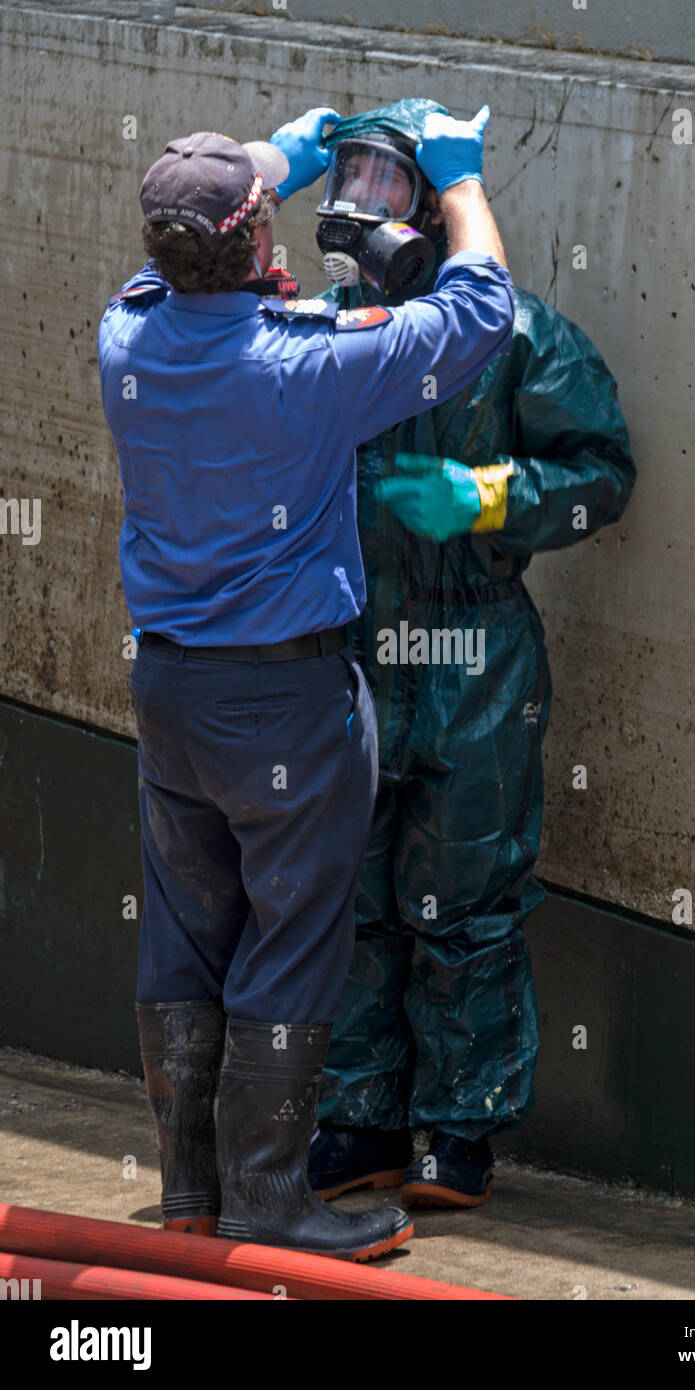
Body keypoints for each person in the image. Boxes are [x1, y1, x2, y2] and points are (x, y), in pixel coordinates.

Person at [97, 105, 515, 1258]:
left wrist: (275, 156)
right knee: (291, 935)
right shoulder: (310, 367)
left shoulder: (125, 338)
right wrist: (457, 178)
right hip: (286, 700)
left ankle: (192, 1192)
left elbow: (181, 257)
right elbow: (478, 311)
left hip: (169, 693)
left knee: (186, 929)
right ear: (261, 244)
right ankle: (272, 1195)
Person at [306, 98, 637, 1209]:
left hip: (474, 658)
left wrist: (492, 497)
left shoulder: (517, 335)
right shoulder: (315, 331)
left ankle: (457, 1130)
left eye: (387, 179)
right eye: (346, 173)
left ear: (439, 202)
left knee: (466, 902)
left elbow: (601, 478)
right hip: (345, 651)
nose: (361, 201)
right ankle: (357, 1121)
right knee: (347, 899)